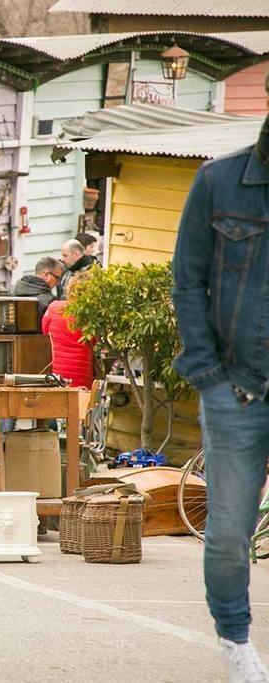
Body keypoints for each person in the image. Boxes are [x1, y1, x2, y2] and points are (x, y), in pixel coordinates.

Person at [172, 94, 269, 681]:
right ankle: (235, 640)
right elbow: (188, 281)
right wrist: (208, 376)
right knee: (231, 530)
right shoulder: (219, 181)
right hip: (235, 387)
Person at [42, 273, 94, 389]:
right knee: (80, 403)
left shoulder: (53, 308)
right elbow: (94, 341)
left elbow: (45, 332)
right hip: (81, 370)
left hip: (56, 371)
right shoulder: (91, 315)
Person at [13, 257, 62, 322]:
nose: (58, 283)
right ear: (46, 274)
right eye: (57, 278)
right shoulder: (50, 301)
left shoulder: (13, 294)